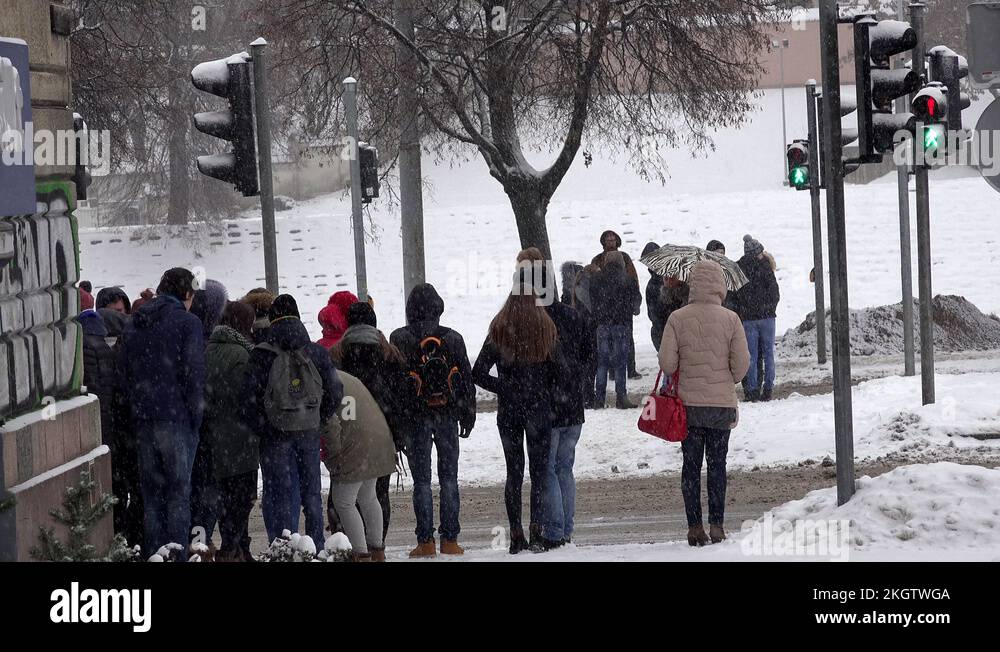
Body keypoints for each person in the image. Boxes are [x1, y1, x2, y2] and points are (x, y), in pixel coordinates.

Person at [473, 254, 568, 553]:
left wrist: (505, 387)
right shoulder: (545, 327)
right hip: (539, 409)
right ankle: (537, 532)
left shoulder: (500, 328)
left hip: (510, 410)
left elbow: (477, 372)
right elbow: (562, 372)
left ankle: (515, 534)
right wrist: (544, 389)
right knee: (539, 473)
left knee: (514, 472)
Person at [659, 260, 750, 547]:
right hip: (721, 406)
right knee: (717, 466)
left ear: (692, 285)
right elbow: (741, 367)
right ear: (720, 286)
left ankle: (694, 527)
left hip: (689, 407)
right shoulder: (731, 319)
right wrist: (725, 378)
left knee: (690, 466)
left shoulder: (677, 318)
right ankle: (718, 525)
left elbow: (667, 363)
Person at [117, 268, 206, 559]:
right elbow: (194, 376)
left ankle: (155, 555)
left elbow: (124, 374)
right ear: (188, 294)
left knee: (152, 498)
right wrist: (195, 418)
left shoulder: (135, 323)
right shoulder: (188, 323)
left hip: (143, 421)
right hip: (177, 419)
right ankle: (177, 555)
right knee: (179, 495)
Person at [244, 294, 343, 548]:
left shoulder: (261, 354)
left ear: (273, 319)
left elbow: (249, 399)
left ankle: (283, 548)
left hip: (274, 435)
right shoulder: (315, 352)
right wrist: (316, 418)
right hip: (308, 431)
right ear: (298, 317)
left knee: (280, 494)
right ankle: (316, 546)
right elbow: (335, 390)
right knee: (311, 494)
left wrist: (264, 427)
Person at [390, 283, 476, 557]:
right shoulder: (453, 338)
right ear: (438, 307)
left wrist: (398, 423)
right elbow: (466, 381)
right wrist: (467, 414)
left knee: (423, 481)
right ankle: (450, 540)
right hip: (448, 415)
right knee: (449, 478)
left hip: (415, 417)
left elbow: (394, 385)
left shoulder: (399, 338)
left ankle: (425, 541)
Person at [329, 302, 408, 544]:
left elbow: (333, 401)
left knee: (342, 498)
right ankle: (377, 547)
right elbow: (401, 400)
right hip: (382, 434)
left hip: (348, 435)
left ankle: (349, 548)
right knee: (376, 494)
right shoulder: (391, 354)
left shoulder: (336, 355)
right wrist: (398, 435)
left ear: (348, 324)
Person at [536, 253, 591, 546]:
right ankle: (567, 528)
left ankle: (555, 530)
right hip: (572, 403)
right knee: (565, 468)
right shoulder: (574, 317)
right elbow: (589, 357)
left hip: (548, 405)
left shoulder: (537, 321)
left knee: (548, 468)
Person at [204, 301, 259, 562]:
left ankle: (236, 547)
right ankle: (232, 550)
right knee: (242, 499)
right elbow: (245, 398)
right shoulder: (242, 354)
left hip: (212, 438)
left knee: (224, 500)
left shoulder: (206, 349)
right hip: (239, 439)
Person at [323, 370, 398, 561]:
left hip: (354, 445)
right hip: (377, 439)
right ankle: (377, 551)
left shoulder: (321, 380)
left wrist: (333, 458)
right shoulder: (347, 378)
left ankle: (361, 554)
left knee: (343, 501)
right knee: (368, 496)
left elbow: (331, 425)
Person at [189, 279, 230, 553]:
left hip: (191, 426)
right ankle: (200, 540)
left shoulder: (188, 340)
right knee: (209, 491)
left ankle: (194, 539)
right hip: (214, 430)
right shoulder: (217, 345)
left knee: (193, 488)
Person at [100, 308, 143, 547]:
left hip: (114, 436)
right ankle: (132, 540)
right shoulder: (129, 355)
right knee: (135, 493)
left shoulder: (109, 355)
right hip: (129, 435)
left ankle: (121, 539)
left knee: (117, 493)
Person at [590, 251, 641, 409]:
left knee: (602, 363)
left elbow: (592, 301)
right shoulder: (628, 279)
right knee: (620, 362)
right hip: (621, 324)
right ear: (621, 263)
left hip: (603, 325)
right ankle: (621, 397)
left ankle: (599, 398)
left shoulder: (596, 279)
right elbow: (636, 301)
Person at [736, 235, 780, 402]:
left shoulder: (739, 268)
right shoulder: (765, 267)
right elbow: (775, 292)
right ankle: (768, 388)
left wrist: (743, 310)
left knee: (751, 356)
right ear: (756, 252)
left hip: (748, 319)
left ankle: (752, 390)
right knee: (768, 354)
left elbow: (738, 293)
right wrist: (769, 308)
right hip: (767, 318)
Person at [592, 230, 642, 379]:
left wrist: (634, 303)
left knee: (628, 339)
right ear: (603, 242)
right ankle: (613, 371)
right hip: (606, 308)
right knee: (610, 341)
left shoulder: (625, 257)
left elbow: (633, 278)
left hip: (623, 305)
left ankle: (631, 368)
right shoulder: (597, 259)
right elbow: (593, 283)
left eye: (613, 239)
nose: (611, 241)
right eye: (608, 239)